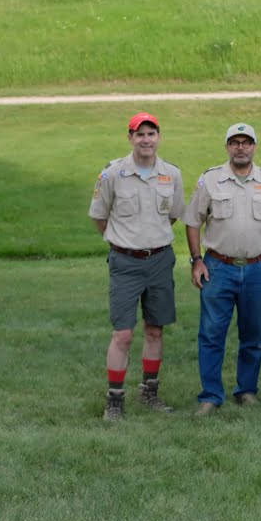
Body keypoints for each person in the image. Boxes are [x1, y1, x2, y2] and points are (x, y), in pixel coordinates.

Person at [184, 123, 261, 416]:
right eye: (235, 142)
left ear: (254, 147)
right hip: (218, 267)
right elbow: (192, 221)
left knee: (253, 336)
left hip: (259, 269)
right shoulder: (210, 180)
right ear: (227, 147)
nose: (241, 147)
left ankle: (246, 390)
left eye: (246, 142)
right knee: (211, 333)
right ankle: (210, 396)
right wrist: (196, 260)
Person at [89, 112, 185, 420]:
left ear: (159, 137)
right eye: (139, 134)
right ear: (130, 138)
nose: (146, 139)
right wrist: (123, 240)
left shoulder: (172, 174)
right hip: (125, 262)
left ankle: (149, 392)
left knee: (155, 330)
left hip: (159, 260)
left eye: (151, 133)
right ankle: (114, 400)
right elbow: (99, 216)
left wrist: (149, 239)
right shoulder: (113, 174)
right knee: (123, 334)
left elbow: (172, 215)